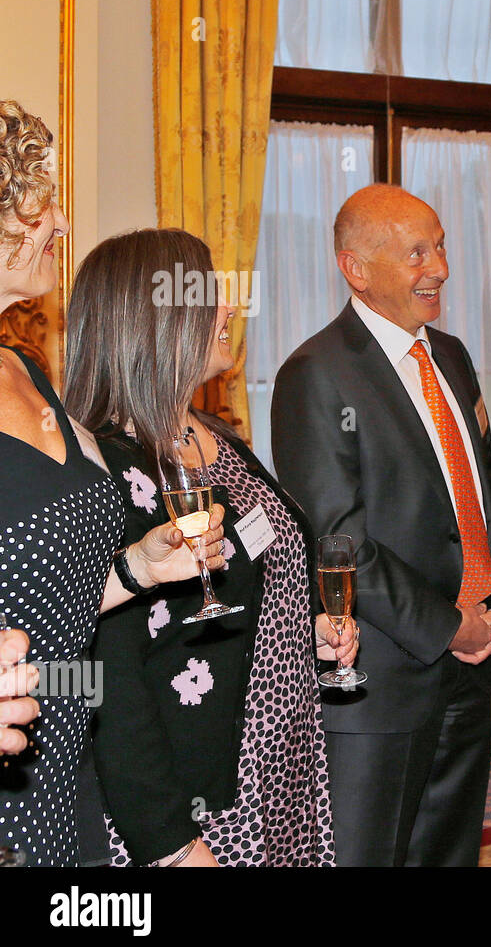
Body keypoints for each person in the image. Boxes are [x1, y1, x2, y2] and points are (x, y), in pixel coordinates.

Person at [63, 228, 356, 867]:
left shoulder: (213, 437)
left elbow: (259, 572)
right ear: (152, 319)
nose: (230, 309)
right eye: (210, 296)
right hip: (192, 805)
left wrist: (307, 627)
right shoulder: (106, 471)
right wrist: (170, 843)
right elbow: (106, 679)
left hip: (278, 765)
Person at [271, 184, 491, 867]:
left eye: (440, 245)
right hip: (380, 679)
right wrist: (448, 623)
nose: (438, 267)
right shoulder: (314, 375)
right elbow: (337, 538)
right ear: (357, 268)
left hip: (472, 662)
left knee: (449, 852)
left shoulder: (452, 355)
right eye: (417, 252)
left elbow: (487, 492)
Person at [0, 100, 225, 867]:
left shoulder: (25, 368)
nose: (61, 225)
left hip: (67, 777)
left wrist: (137, 569)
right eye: (38, 205)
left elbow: (39, 595)